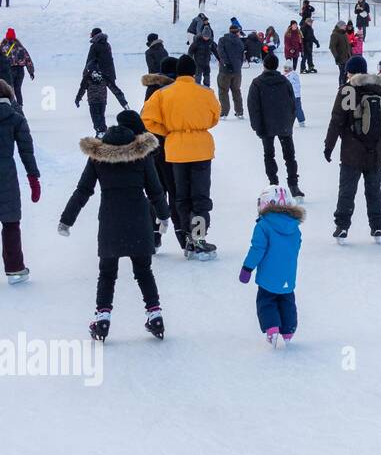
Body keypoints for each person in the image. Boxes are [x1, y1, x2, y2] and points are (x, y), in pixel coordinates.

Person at [59, 110, 171, 340]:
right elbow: (155, 190)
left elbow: (83, 190)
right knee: (144, 271)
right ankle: (155, 315)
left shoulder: (98, 157)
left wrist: (66, 219)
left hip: (111, 221)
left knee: (107, 273)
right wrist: (164, 216)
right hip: (140, 220)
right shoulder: (142, 155)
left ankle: (102, 319)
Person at [140, 55, 221, 259]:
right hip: (201, 149)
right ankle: (199, 236)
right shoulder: (206, 92)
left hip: (176, 151)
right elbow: (214, 117)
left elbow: (147, 119)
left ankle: (187, 237)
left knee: (182, 197)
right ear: (194, 72)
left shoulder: (163, 94)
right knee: (200, 197)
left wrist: (169, 131)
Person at [325, 56, 381, 242]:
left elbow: (337, 121)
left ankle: (342, 226)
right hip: (376, 150)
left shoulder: (348, 90)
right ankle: (377, 226)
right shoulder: (380, 90)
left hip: (351, 152)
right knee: (374, 190)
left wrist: (328, 146)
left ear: (350, 71)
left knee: (347, 190)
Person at [237, 186, 303, 347]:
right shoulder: (294, 226)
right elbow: (296, 246)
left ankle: (272, 328)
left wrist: (247, 268)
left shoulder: (263, 225)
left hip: (268, 276)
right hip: (288, 276)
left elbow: (257, 249)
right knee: (287, 301)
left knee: (266, 302)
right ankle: (288, 330)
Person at [247, 53, 303, 199]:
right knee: (289, 156)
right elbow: (293, 103)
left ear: (264, 65)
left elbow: (253, 107)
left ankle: (274, 184)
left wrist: (257, 127)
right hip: (284, 124)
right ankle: (293, 184)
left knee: (269, 155)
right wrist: (289, 121)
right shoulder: (284, 82)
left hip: (266, 126)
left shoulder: (257, 83)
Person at [0, 79, 38, 284]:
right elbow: (26, 151)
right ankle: (14, 269)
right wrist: (33, 178)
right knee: (10, 222)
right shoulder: (15, 118)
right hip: (6, 174)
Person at [85, 28, 129, 110]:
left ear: (94, 35)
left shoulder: (94, 46)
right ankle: (126, 105)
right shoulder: (107, 45)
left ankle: (100, 110)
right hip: (110, 73)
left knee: (100, 93)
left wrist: (86, 72)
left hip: (100, 74)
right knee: (115, 90)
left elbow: (90, 61)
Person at [214, 23, 245, 119]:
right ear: (237, 32)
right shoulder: (240, 42)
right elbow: (242, 57)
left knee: (223, 91)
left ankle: (224, 112)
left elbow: (221, 53)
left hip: (225, 70)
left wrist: (227, 64)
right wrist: (237, 66)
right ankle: (239, 112)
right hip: (237, 72)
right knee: (236, 91)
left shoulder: (222, 40)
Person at [1, 29, 34, 108]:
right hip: (20, 71)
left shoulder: (3, 47)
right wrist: (31, 72)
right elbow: (28, 59)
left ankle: (11, 107)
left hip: (9, 71)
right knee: (18, 90)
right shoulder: (20, 47)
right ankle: (19, 106)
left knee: (9, 90)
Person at [76, 68, 110, 136]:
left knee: (95, 117)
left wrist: (78, 98)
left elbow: (82, 88)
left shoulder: (88, 75)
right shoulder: (103, 73)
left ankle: (100, 132)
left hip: (93, 101)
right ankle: (102, 131)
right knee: (101, 116)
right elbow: (112, 86)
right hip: (102, 100)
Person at [329, 20, 351, 85]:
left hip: (347, 57)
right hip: (341, 57)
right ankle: (341, 86)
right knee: (342, 73)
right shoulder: (335, 34)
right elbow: (332, 47)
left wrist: (351, 54)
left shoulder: (344, 34)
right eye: (344, 26)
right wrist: (336, 56)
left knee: (347, 73)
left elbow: (348, 45)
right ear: (339, 26)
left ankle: (344, 85)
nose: (345, 27)